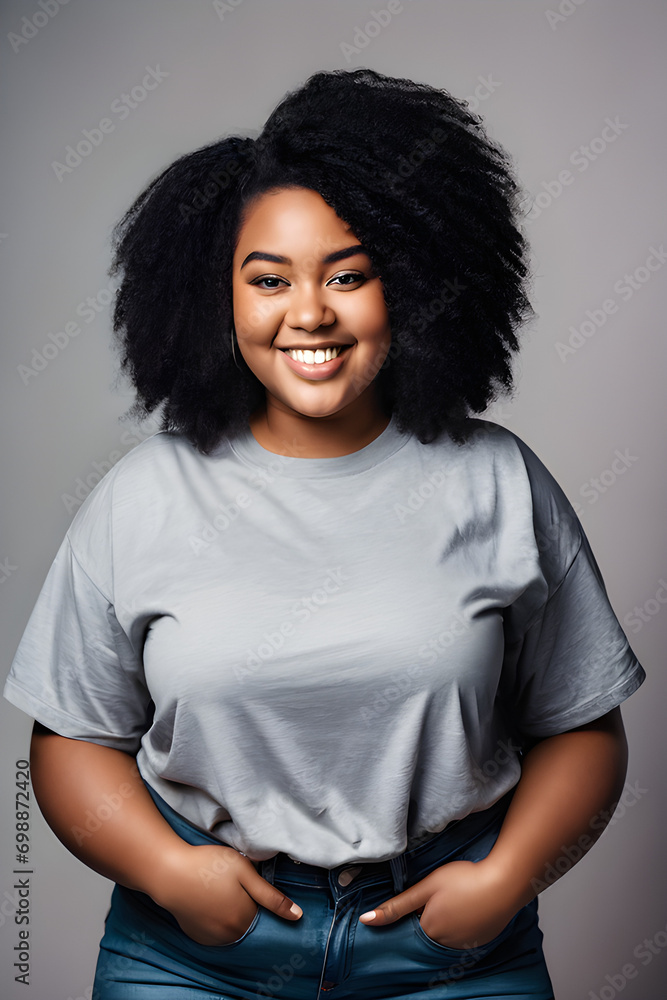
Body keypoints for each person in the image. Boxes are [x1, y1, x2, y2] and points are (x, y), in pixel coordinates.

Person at [4, 68, 645, 999]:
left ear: (419, 281)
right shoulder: (142, 497)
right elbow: (68, 737)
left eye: (349, 274)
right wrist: (168, 873)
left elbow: (582, 729)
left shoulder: (499, 480)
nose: (309, 312)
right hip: (194, 955)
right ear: (212, 297)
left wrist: (506, 882)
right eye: (268, 280)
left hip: (449, 955)